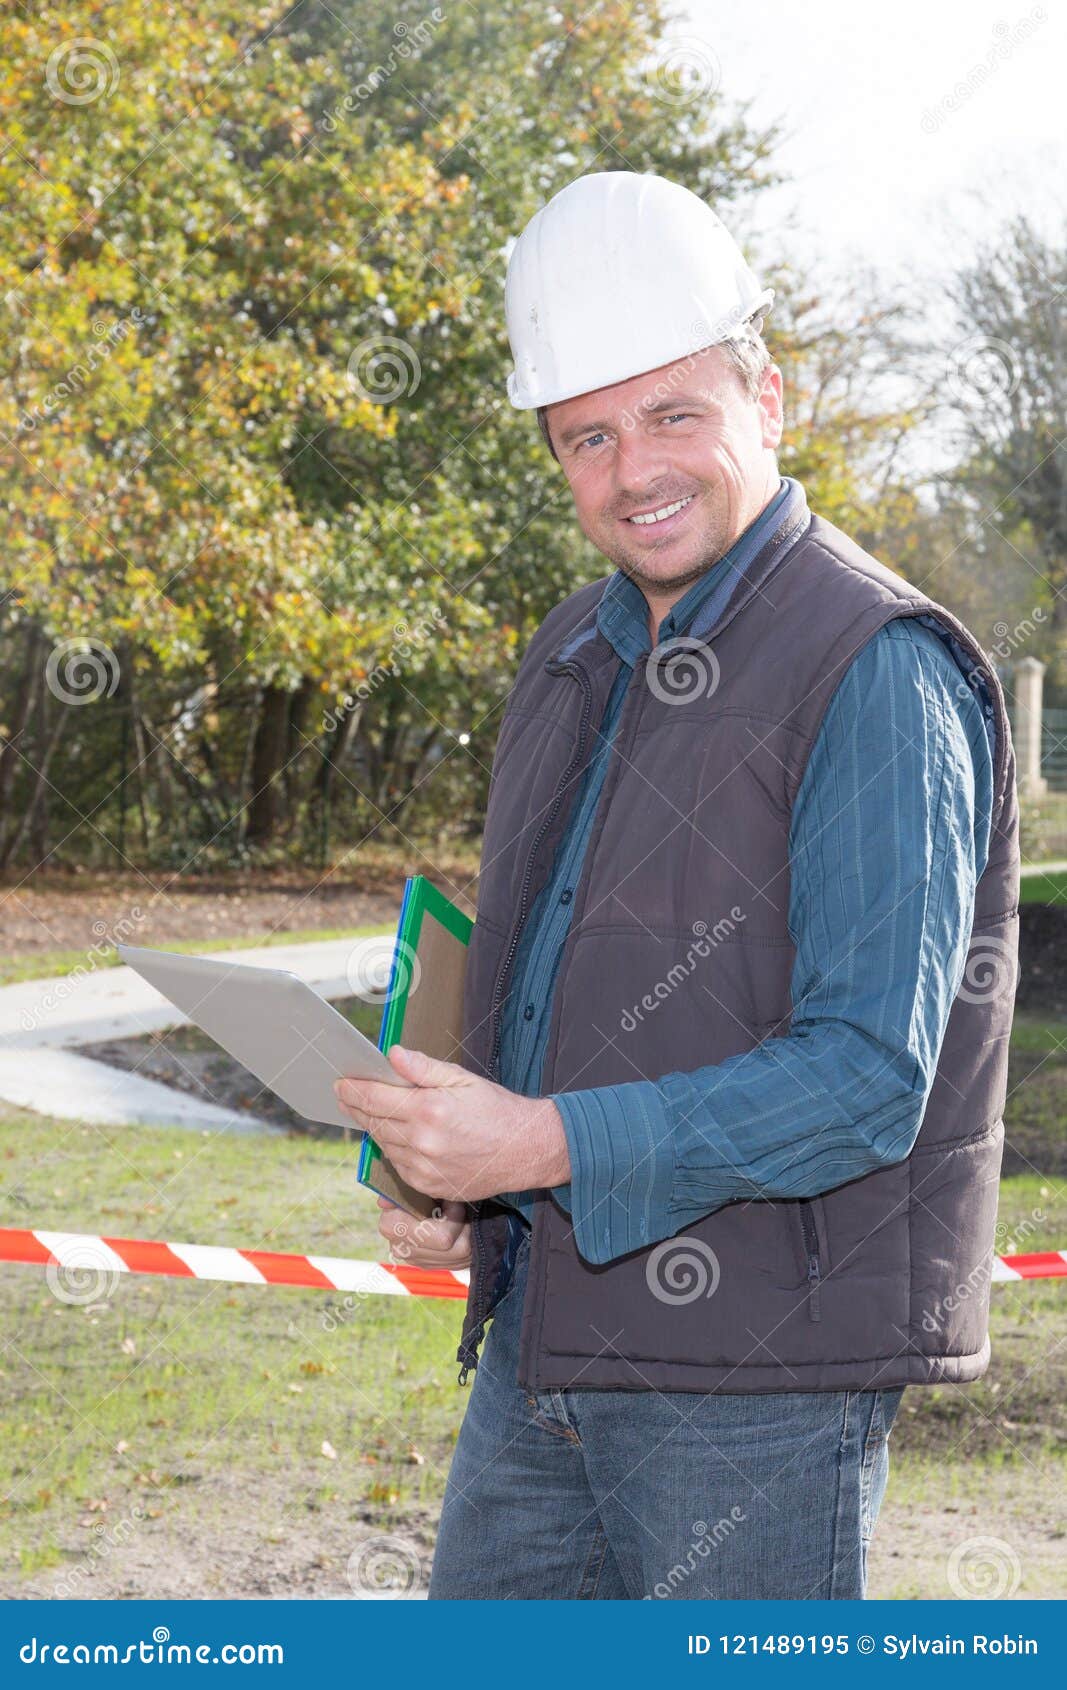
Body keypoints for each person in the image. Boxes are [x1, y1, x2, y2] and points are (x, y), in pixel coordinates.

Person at [336, 171, 1020, 1600]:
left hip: (756, 1398)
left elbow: (863, 1077)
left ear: (766, 396)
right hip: (540, 1353)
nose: (633, 468)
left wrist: (533, 1144)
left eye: (673, 415)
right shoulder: (571, 656)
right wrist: (453, 1179)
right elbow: (551, 989)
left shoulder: (873, 665)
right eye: (588, 435)